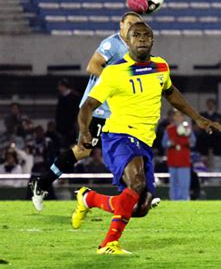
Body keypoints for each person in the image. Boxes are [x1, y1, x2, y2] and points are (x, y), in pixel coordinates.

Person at [73, 21, 221, 255]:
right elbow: (88, 105)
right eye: (136, 35)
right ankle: (108, 244)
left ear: (152, 40)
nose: (142, 39)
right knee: (137, 183)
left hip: (144, 141)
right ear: (129, 41)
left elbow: (172, 95)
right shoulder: (114, 72)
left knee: (140, 207)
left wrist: (199, 118)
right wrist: (84, 130)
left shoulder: (161, 67)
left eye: (146, 35)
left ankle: (88, 198)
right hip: (119, 136)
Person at [29, 12, 143, 211]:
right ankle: (43, 183)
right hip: (97, 109)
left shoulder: (136, 49)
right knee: (83, 150)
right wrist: (115, 84)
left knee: (126, 148)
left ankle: (136, 195)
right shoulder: (112, 44)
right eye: (130, 23)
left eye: (137, 25)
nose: (133, 28)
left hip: (117, 111)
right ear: (121, 25)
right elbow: (92, 66)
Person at [162, 110, 196, 201]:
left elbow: (193, 142)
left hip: (184, 161)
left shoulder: (187, 128)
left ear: (183, 117)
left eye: (180, 116)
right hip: (172, 161)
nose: (178, 118)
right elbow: (164, 143)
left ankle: (184, 201)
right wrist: (170, 143)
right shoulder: (168, 129)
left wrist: (185, 141)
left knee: (184, 184)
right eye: (176, 116)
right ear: (173, 117)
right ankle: (173, 201)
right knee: (173, 184)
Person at [55, 78, 81, 148]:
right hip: (62, 128)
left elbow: (78, 111)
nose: (59, 88)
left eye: (59, 86)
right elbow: (58, 113)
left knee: (72, 145)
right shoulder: (61, 98)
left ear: (64, 86)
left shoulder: (75, 97)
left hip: (72, 126)